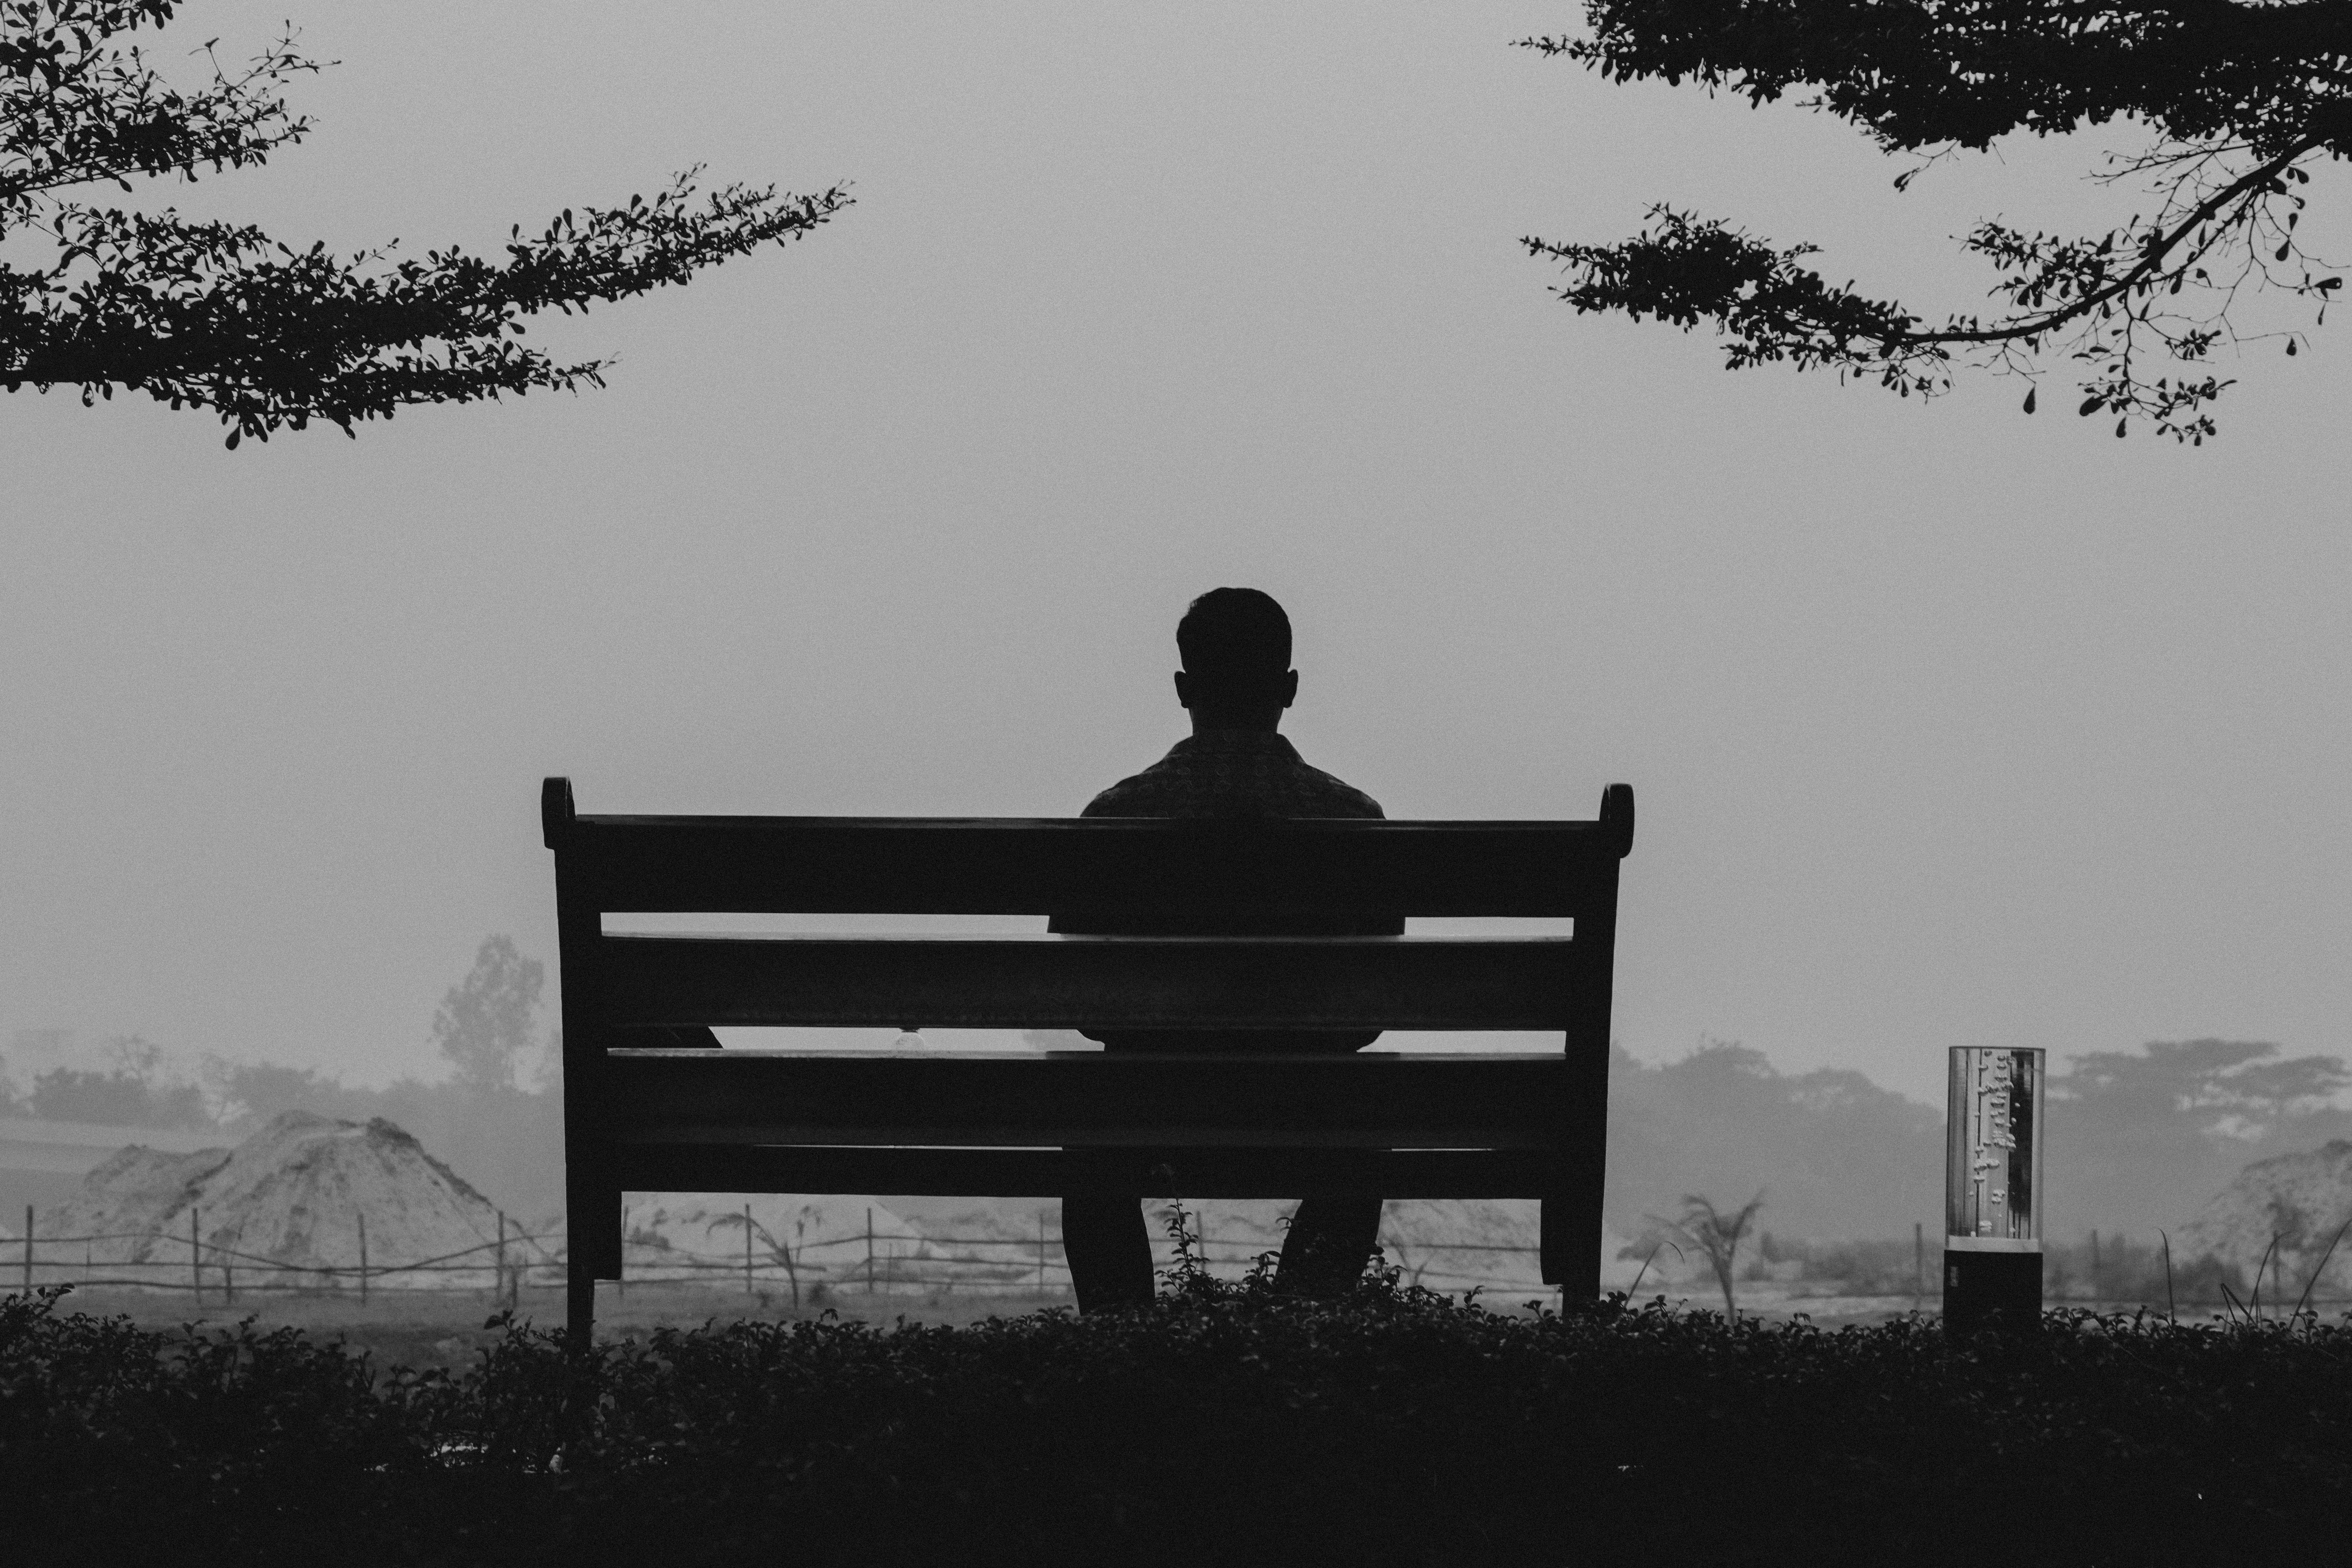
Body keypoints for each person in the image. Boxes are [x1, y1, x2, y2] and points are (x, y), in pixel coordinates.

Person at [1051, 587, 1402, 1311]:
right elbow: (1367, 1017)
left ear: (1183, 690)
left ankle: (1124, 1342)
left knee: (1088, 1146)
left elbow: (1084, 1006)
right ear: (1290, 690)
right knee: (1362, 1141)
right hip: (1308, 1109)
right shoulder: (1355, 824)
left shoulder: (1115, 818)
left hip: (1144, 1108)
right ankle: (1299, 1329)